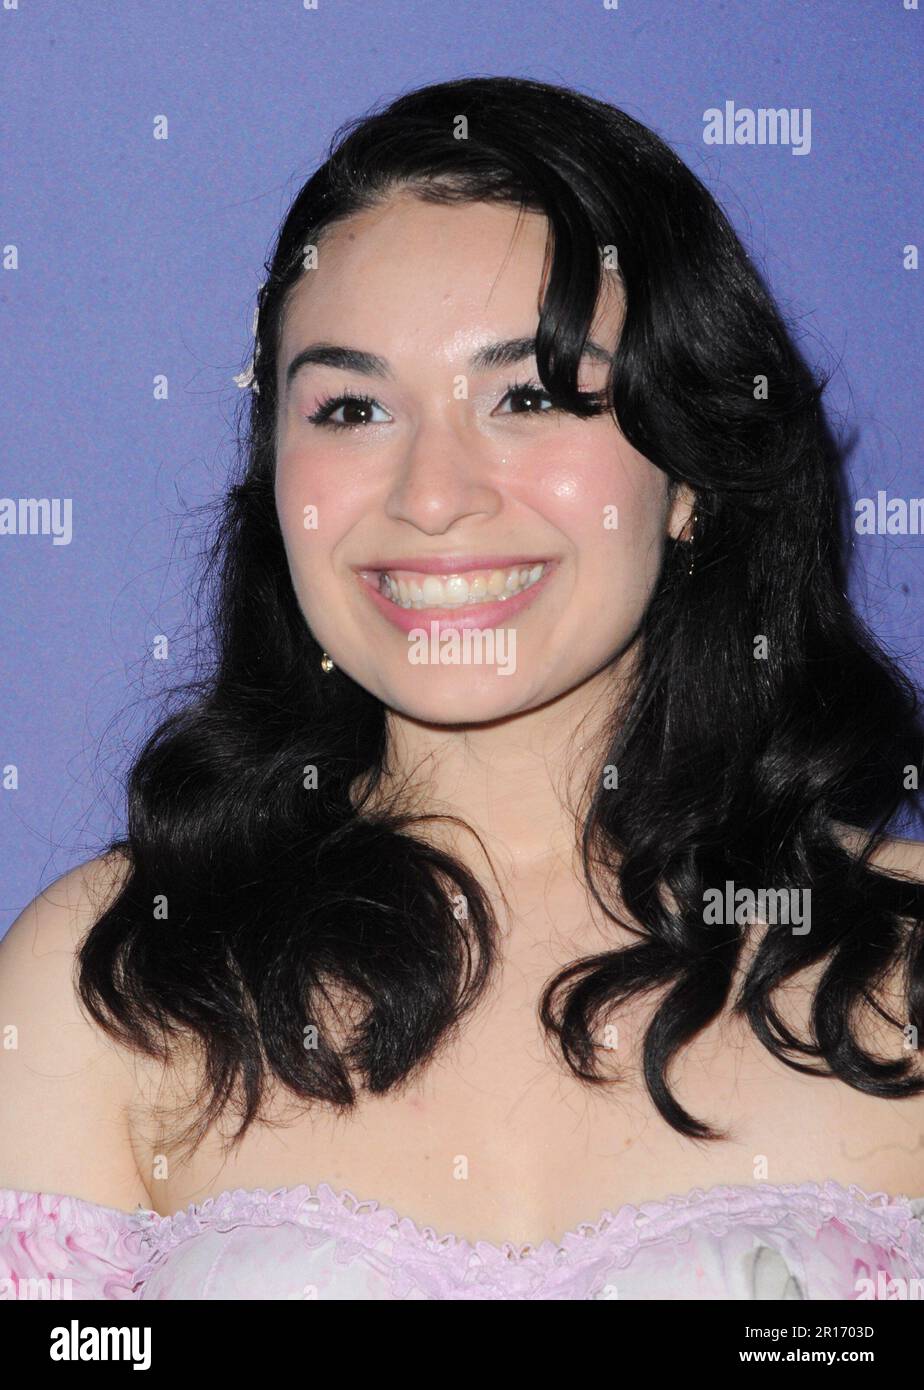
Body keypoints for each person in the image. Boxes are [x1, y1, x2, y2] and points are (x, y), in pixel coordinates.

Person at [2, 75, 923, 1301]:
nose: (433, 494)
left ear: (690, 470)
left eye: (529, 394)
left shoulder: (903, 964)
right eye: (354, 406)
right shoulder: (112, 978)